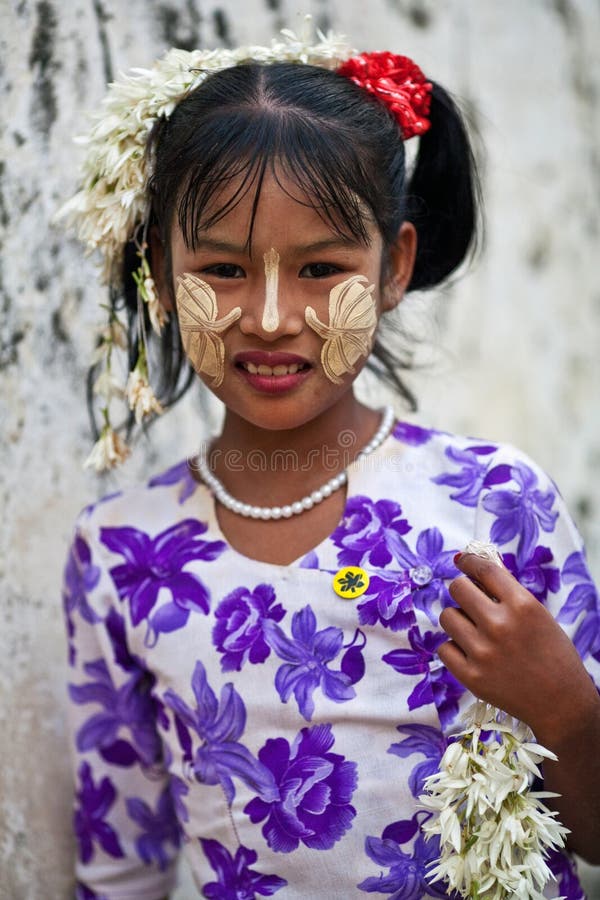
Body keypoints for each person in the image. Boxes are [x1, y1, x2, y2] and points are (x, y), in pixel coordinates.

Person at [61, 24, 600, 900]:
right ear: (160, 272)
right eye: (223, 269)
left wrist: (567, 706)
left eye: (320, 267)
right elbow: (121, 858)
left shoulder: (490, 504)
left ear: (394, 267)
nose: (272, 318)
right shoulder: (122, 553)